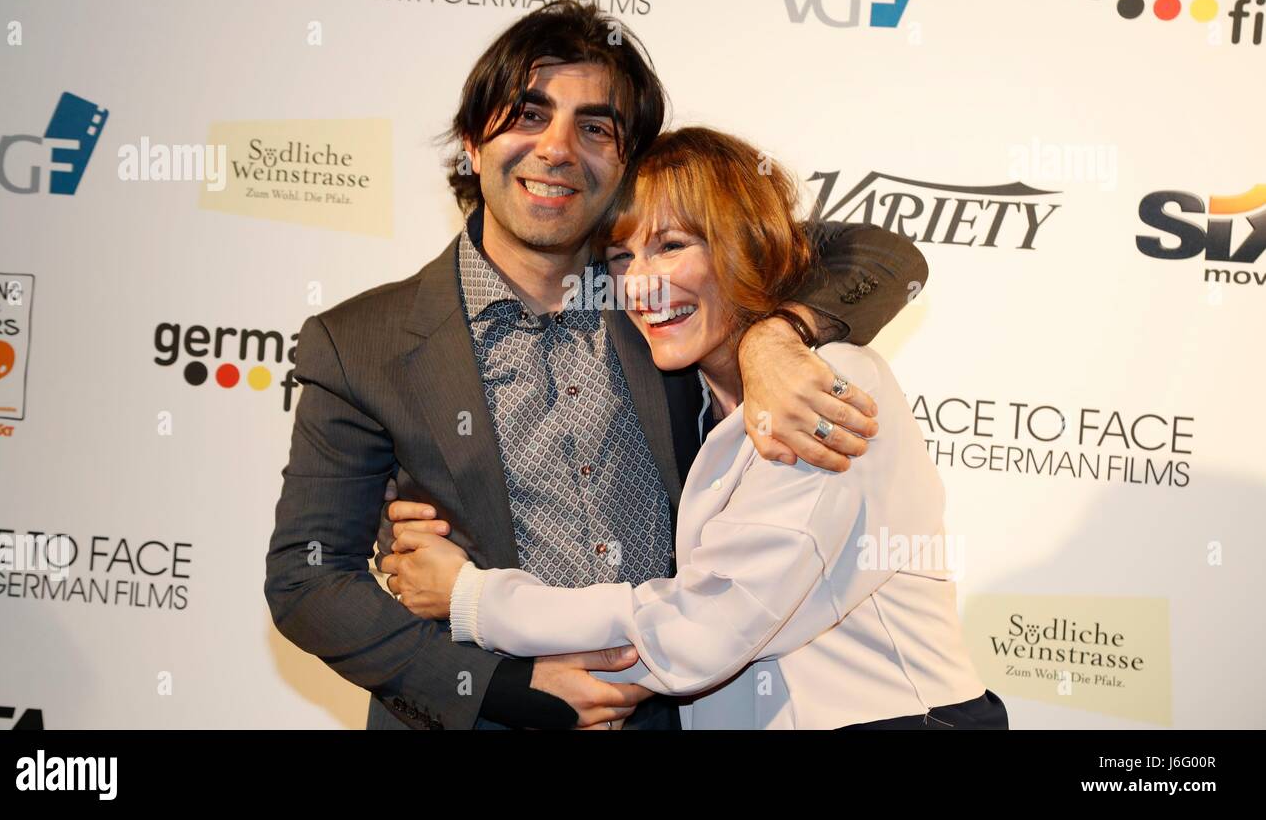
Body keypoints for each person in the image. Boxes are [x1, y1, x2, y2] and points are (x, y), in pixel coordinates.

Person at [264, 0, 928, 730]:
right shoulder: (362, 341)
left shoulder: (661, 293)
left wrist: (778, 335)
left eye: (593, 127)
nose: (556, 147)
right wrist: (500, 688)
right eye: (527, 114)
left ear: (624, 161)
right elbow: (307, 578)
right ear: (471, 145)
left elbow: (881, 255)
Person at [384, 126, 1006, 729]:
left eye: (673, 245)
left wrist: (470, 599)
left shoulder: (827, 384)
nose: (643, 283)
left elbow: (705, 629)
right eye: (622, 256)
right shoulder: (696, 407)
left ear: (746, 247)